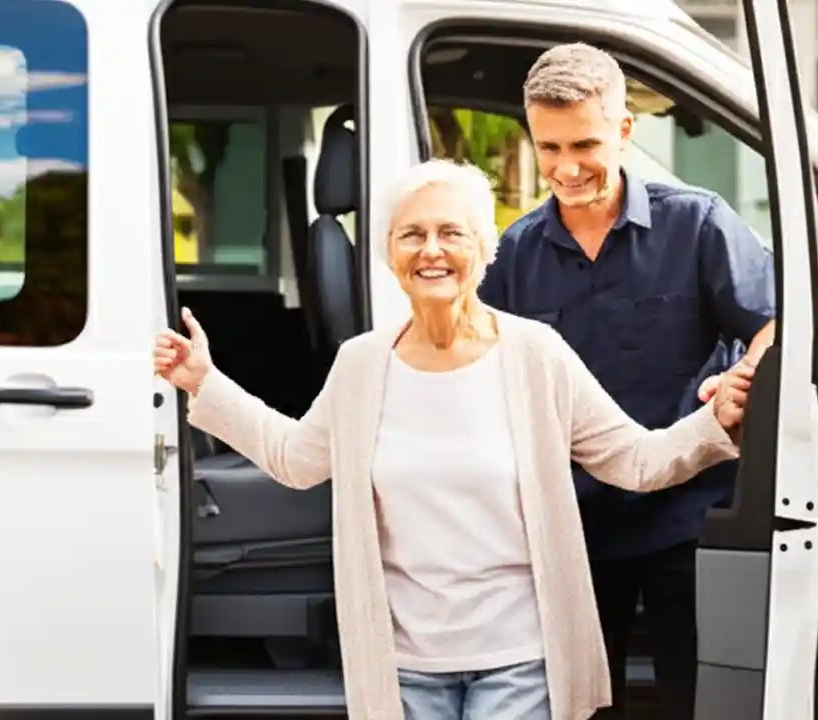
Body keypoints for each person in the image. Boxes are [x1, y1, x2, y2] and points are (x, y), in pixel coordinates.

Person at [154, 159, 757, 720]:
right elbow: (295, 460)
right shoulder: (362, 364)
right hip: (405, 667)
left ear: (484, 249)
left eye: (452, 233)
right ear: (390, 254)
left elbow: (632, 460)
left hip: (522, 659)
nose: (431, 251)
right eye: (411, 235)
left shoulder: (534, 355)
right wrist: (203, 381)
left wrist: (713, 423)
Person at [478, 43, 777, 719]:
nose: (565, 167)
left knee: (696, 699)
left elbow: (777, 320)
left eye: (584, 143)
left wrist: (747, 375)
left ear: (624, 132)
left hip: (687, 516)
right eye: (547, 147)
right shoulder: (514, 254)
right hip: (572, 526)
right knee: (581, 704)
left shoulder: (697, 223)